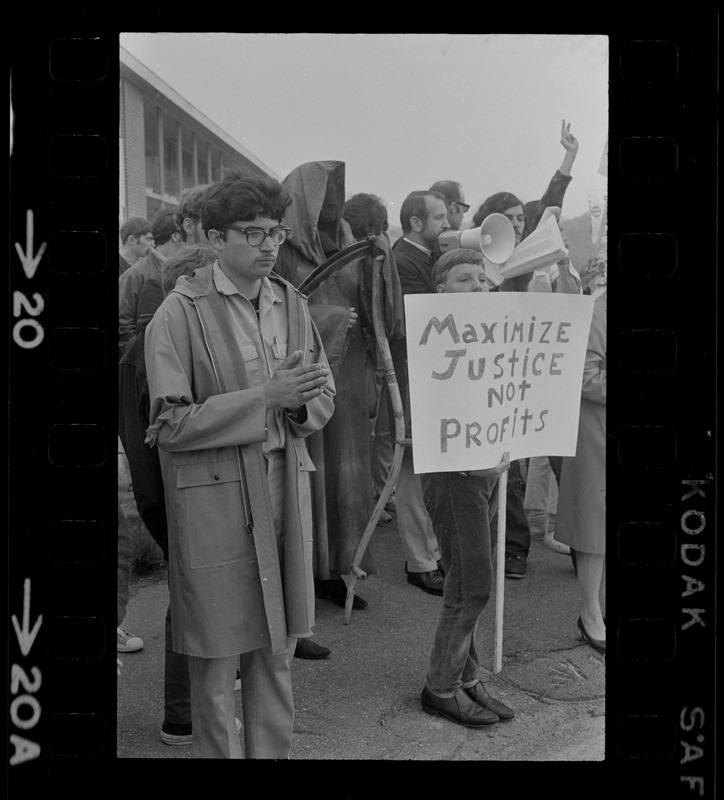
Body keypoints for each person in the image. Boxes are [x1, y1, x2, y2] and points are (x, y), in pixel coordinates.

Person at [144, 172, 335, 759]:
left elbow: (322, 399)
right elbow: (169, 425)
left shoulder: (293, 304)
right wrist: (265, 399)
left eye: (275, 231)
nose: (268, 244)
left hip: (282, 489)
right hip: (215, 498)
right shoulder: (178, 314)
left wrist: (299, 402)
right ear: (214, 235)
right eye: (252, 233)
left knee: (277, 650)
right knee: (218, 658)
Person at [275, 162, 404, 613]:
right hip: (307, 377)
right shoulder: (283, 251)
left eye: (337, 193)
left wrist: (380, 266)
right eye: (324, 195)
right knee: (310, 478)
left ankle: (338, 570)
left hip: (348, 378)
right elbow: (273, 317)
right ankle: (304, 577)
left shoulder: (350, 242)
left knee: (348, 475)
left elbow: (376, 310)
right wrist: (330, 321)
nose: (333, 203)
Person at [419, 249, 515, 727]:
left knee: (465, 576)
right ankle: (440, 685)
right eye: (464, 279)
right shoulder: (431, 337)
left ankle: (467, 675)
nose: (478, 287)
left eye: (482, 279)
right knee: (472, 583)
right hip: (454, 476)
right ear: (441, 292)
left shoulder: (493, 333)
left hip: (486, 472)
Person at [388, 189, 450, 595]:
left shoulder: (420, 258)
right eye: (440, 218)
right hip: (412, 379)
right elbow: (423, 323)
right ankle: (419, 561)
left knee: (426, 469)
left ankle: (430, 553)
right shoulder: (403, 262)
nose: (447, 225)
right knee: (412, 472)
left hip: (426, 380)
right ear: (416, 223)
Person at [555, 289, 607, 653]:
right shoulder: (595, 312)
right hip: (597, 429)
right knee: (594, 526)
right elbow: (586, 378)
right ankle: (590, 612)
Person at [119, 208, 184, 355]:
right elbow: (124, 325)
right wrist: (141, 357)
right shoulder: (135, 274)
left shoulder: (181, 267)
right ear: (176, 236)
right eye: (184, 233)